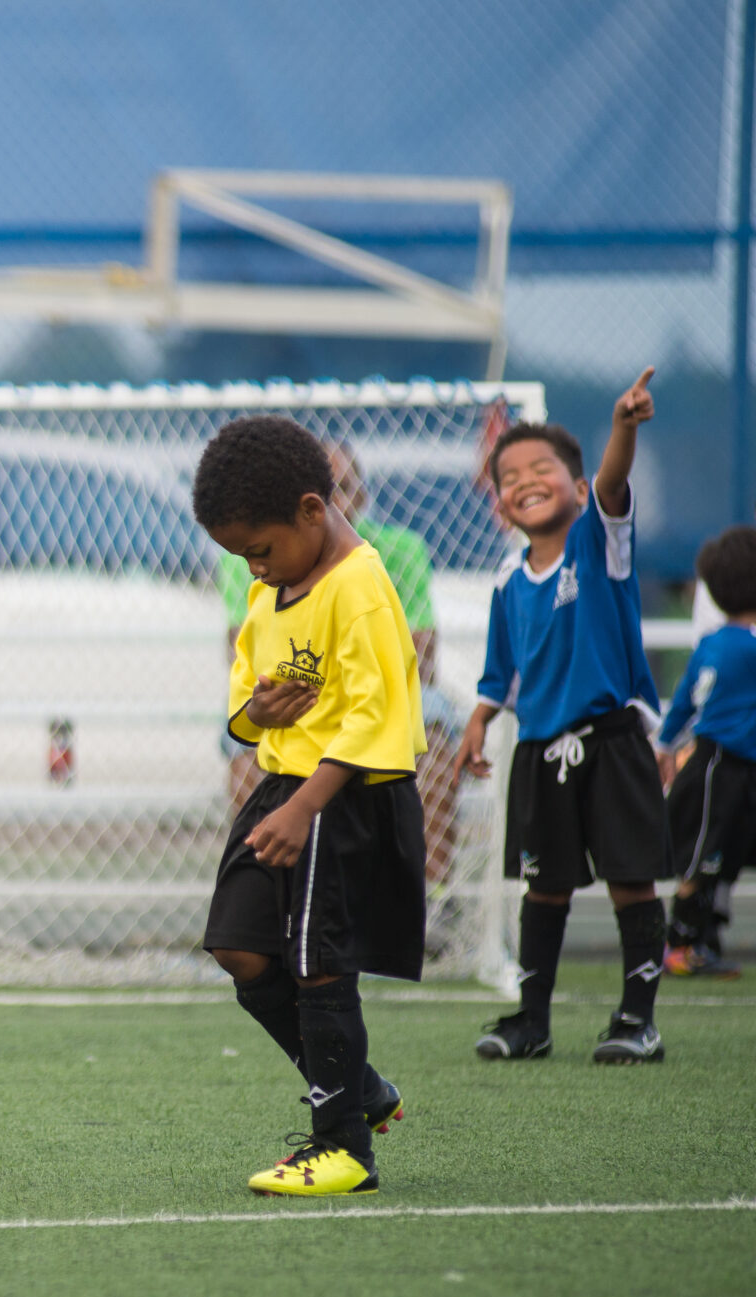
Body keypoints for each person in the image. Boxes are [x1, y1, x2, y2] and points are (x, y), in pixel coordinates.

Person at [192, 416, 424, 1198]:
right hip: (282, 789)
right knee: (238, 948)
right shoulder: (272, 590)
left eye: (260, 549)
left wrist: (305, 809)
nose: (254, 569)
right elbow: (241, 706)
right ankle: (359, 1085)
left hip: (343, 794)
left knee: (317, 966)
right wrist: (259, 712)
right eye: (241, 558)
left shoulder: (360, 587)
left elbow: (380, 718)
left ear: (310, 511)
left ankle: (344, 1148)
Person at [457, 369, 673, 1064]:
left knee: (629, 879)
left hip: (611, 743)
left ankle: (637, 1020)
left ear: (579, 490)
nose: (524, 480)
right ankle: (532, 1020)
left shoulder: (597, 543)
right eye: (509, 476)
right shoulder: (505, 582)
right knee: (543, 887)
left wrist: (624, 428)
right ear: (499, 505)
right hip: (539, 750)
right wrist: (479, 720)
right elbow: (502, 670)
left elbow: (614, 481)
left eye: (541, 468)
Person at [217, 444, 461, 884]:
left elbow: (421, 658)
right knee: (242, 739)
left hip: (381, 690)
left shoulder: (398, 550)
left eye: (342, 489)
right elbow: (244, 655)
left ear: (364, 497)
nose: (331, 505)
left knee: (435, 728)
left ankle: (429, 895)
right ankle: (265, 886)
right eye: (313, 494)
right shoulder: (250, 552)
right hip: (298, 693)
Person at [657, 524, 756, 978]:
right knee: (704, 857)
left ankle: (692, 942)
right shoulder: (745, 648)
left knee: (717, 856)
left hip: (716, 761)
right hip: (722, 767)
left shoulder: (710, 644)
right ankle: (677, 945)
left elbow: (681, 704)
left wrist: (664, 743)